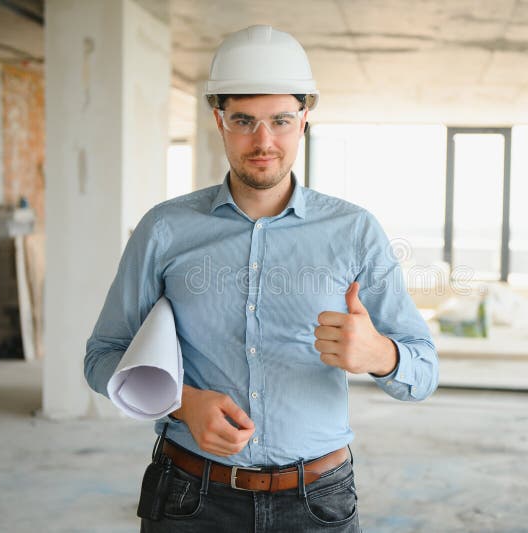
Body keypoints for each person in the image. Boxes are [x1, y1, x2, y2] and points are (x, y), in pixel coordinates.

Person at [84, 24, 439, 533]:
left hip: (318, 502)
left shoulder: (355, 231)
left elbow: (423, 371)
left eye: (281, 120)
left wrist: (380, 355)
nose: (263, 141)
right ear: (219, 120)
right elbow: (102, 357)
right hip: (190, 497)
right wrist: (184, 403)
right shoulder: (164, 229)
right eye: (244, 120)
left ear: (305, 121)